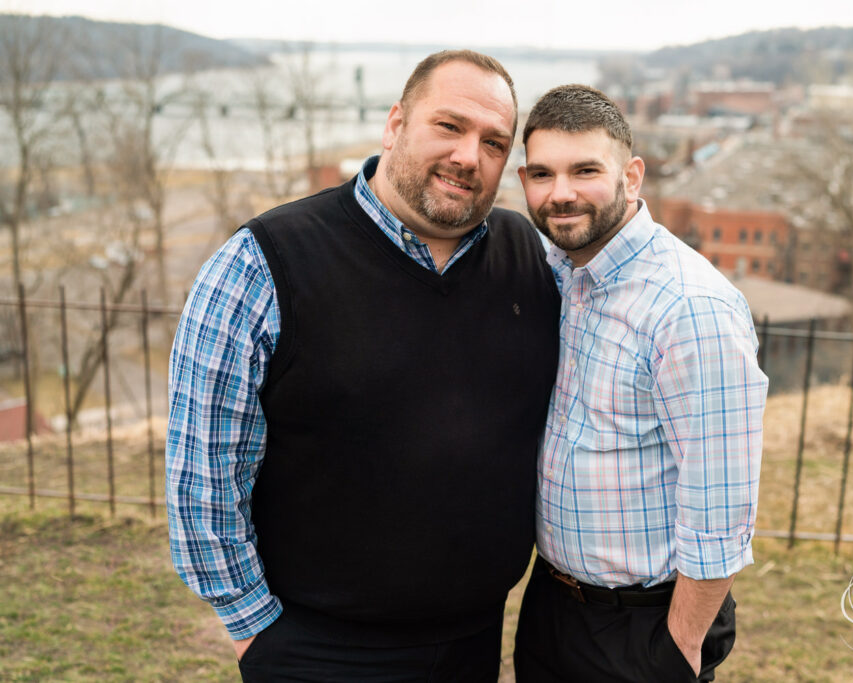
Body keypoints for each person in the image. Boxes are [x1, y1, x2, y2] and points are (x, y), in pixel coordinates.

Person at [165, 50, 560, 682]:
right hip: (317, 652)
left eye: (494, 142)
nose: (469, 156)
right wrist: (255, 631)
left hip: (475, 641)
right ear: (396, 123)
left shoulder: (532, 259)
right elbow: (203, 480)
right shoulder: (263, 265)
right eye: (449, 126)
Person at [512, 84, 768, 683]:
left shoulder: (690, 308)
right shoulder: (561, 272)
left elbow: (722, 513)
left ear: (632, 176)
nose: (562, 193)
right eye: (543, 173)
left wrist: (675, 652)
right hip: (552, 606)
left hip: (642, 629)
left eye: (585, 170)